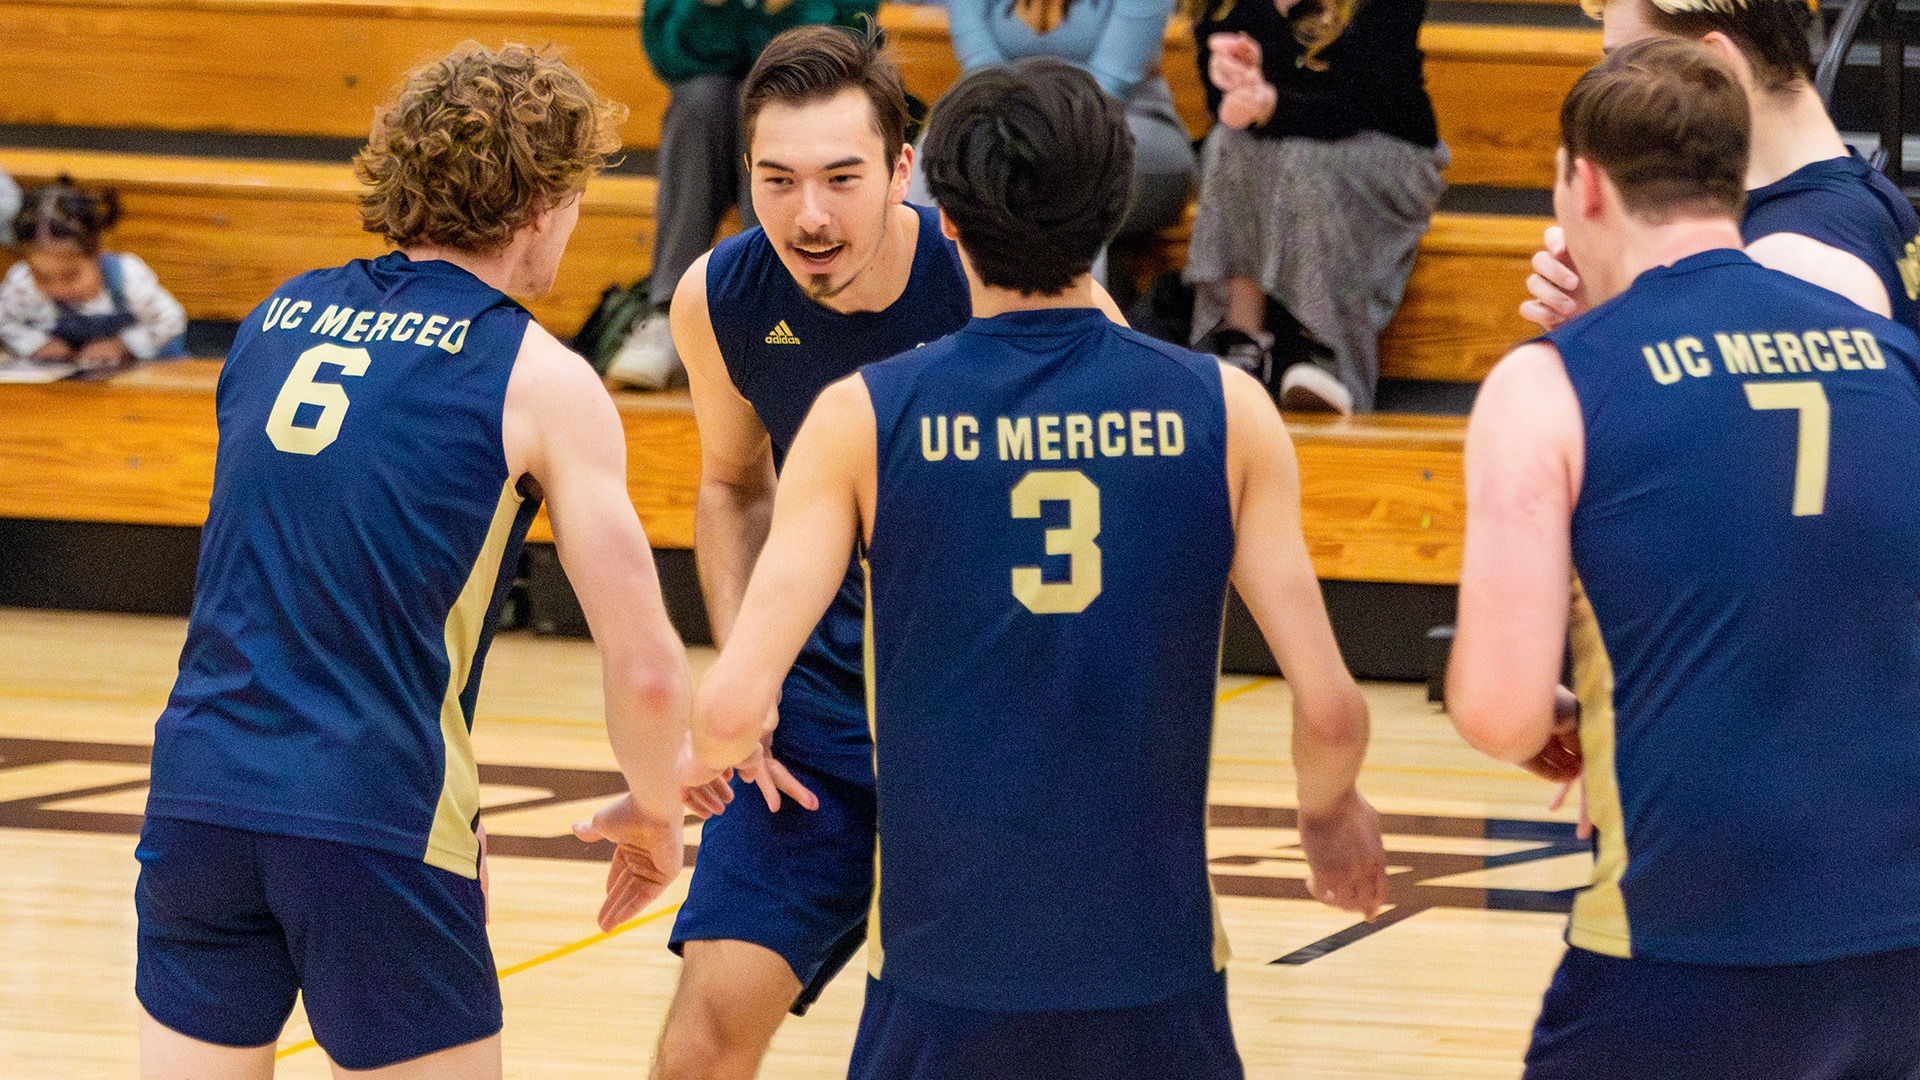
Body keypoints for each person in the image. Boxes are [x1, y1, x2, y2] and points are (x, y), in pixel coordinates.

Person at [692, 56, 1386, 1079]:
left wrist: (684, 769)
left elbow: (726, 708)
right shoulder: (1228, 411)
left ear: (940, 213)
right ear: (1118, 205)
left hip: (943, 979)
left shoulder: (863, 417)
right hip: (1154, 974)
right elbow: (1330, 710)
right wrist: (1329, 813)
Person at [135, 44, 691, 1079]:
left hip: (197, 794)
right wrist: (657, 813)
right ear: (541, 202)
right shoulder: (540, 377)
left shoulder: (272, 324)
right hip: (376, 805)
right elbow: (651, 668)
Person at [1449, 38, 1920, 1079]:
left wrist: (1556, 714)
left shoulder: (1554, 384)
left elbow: (1498, 708)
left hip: (1689, 943)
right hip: (1898, 943)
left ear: (1583, 182)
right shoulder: (1887, 348)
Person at [1523, 0, 1920, 332]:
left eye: (1630, 65)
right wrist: (1608, 305)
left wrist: (1613, 321)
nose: (1612, 88)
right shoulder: (1870, 201)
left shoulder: (1787, 260)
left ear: (1716, 63)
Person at [1183, 0, 1445, 414]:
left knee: (1303, 160)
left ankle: (1328, 351)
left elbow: (1367, 102)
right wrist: (1241, 84)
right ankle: (1242, 337)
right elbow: (1226, 107)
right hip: (1284, 143)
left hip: (1391, 147)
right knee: (1228, 145)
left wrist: (1272, 105)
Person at [602, 0, 878, 390]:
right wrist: (714, 10)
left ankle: (785, 307)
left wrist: (787, 10)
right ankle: (668, 309)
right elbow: (668, 53)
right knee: (699, 101)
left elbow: (852, 42)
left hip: (809, 115)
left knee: (761, 100)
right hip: (712, 128)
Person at [917, 0, 1198, 268]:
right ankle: (924, 303)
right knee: (940, 148)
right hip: (1005, 117)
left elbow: (1109, 84)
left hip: (1125, 123)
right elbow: (981, 69)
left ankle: (1071, 309)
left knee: (1068, 162)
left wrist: (1030, 130)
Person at [2, 178, 188, 368]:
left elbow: (171, 319)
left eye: (70, 276)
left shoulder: (127, 278)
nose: (59, 289)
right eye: (42, 277)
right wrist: (36, 344)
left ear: (97, 252)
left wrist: (123, 345)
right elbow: (3, 322)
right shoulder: (22, 285)